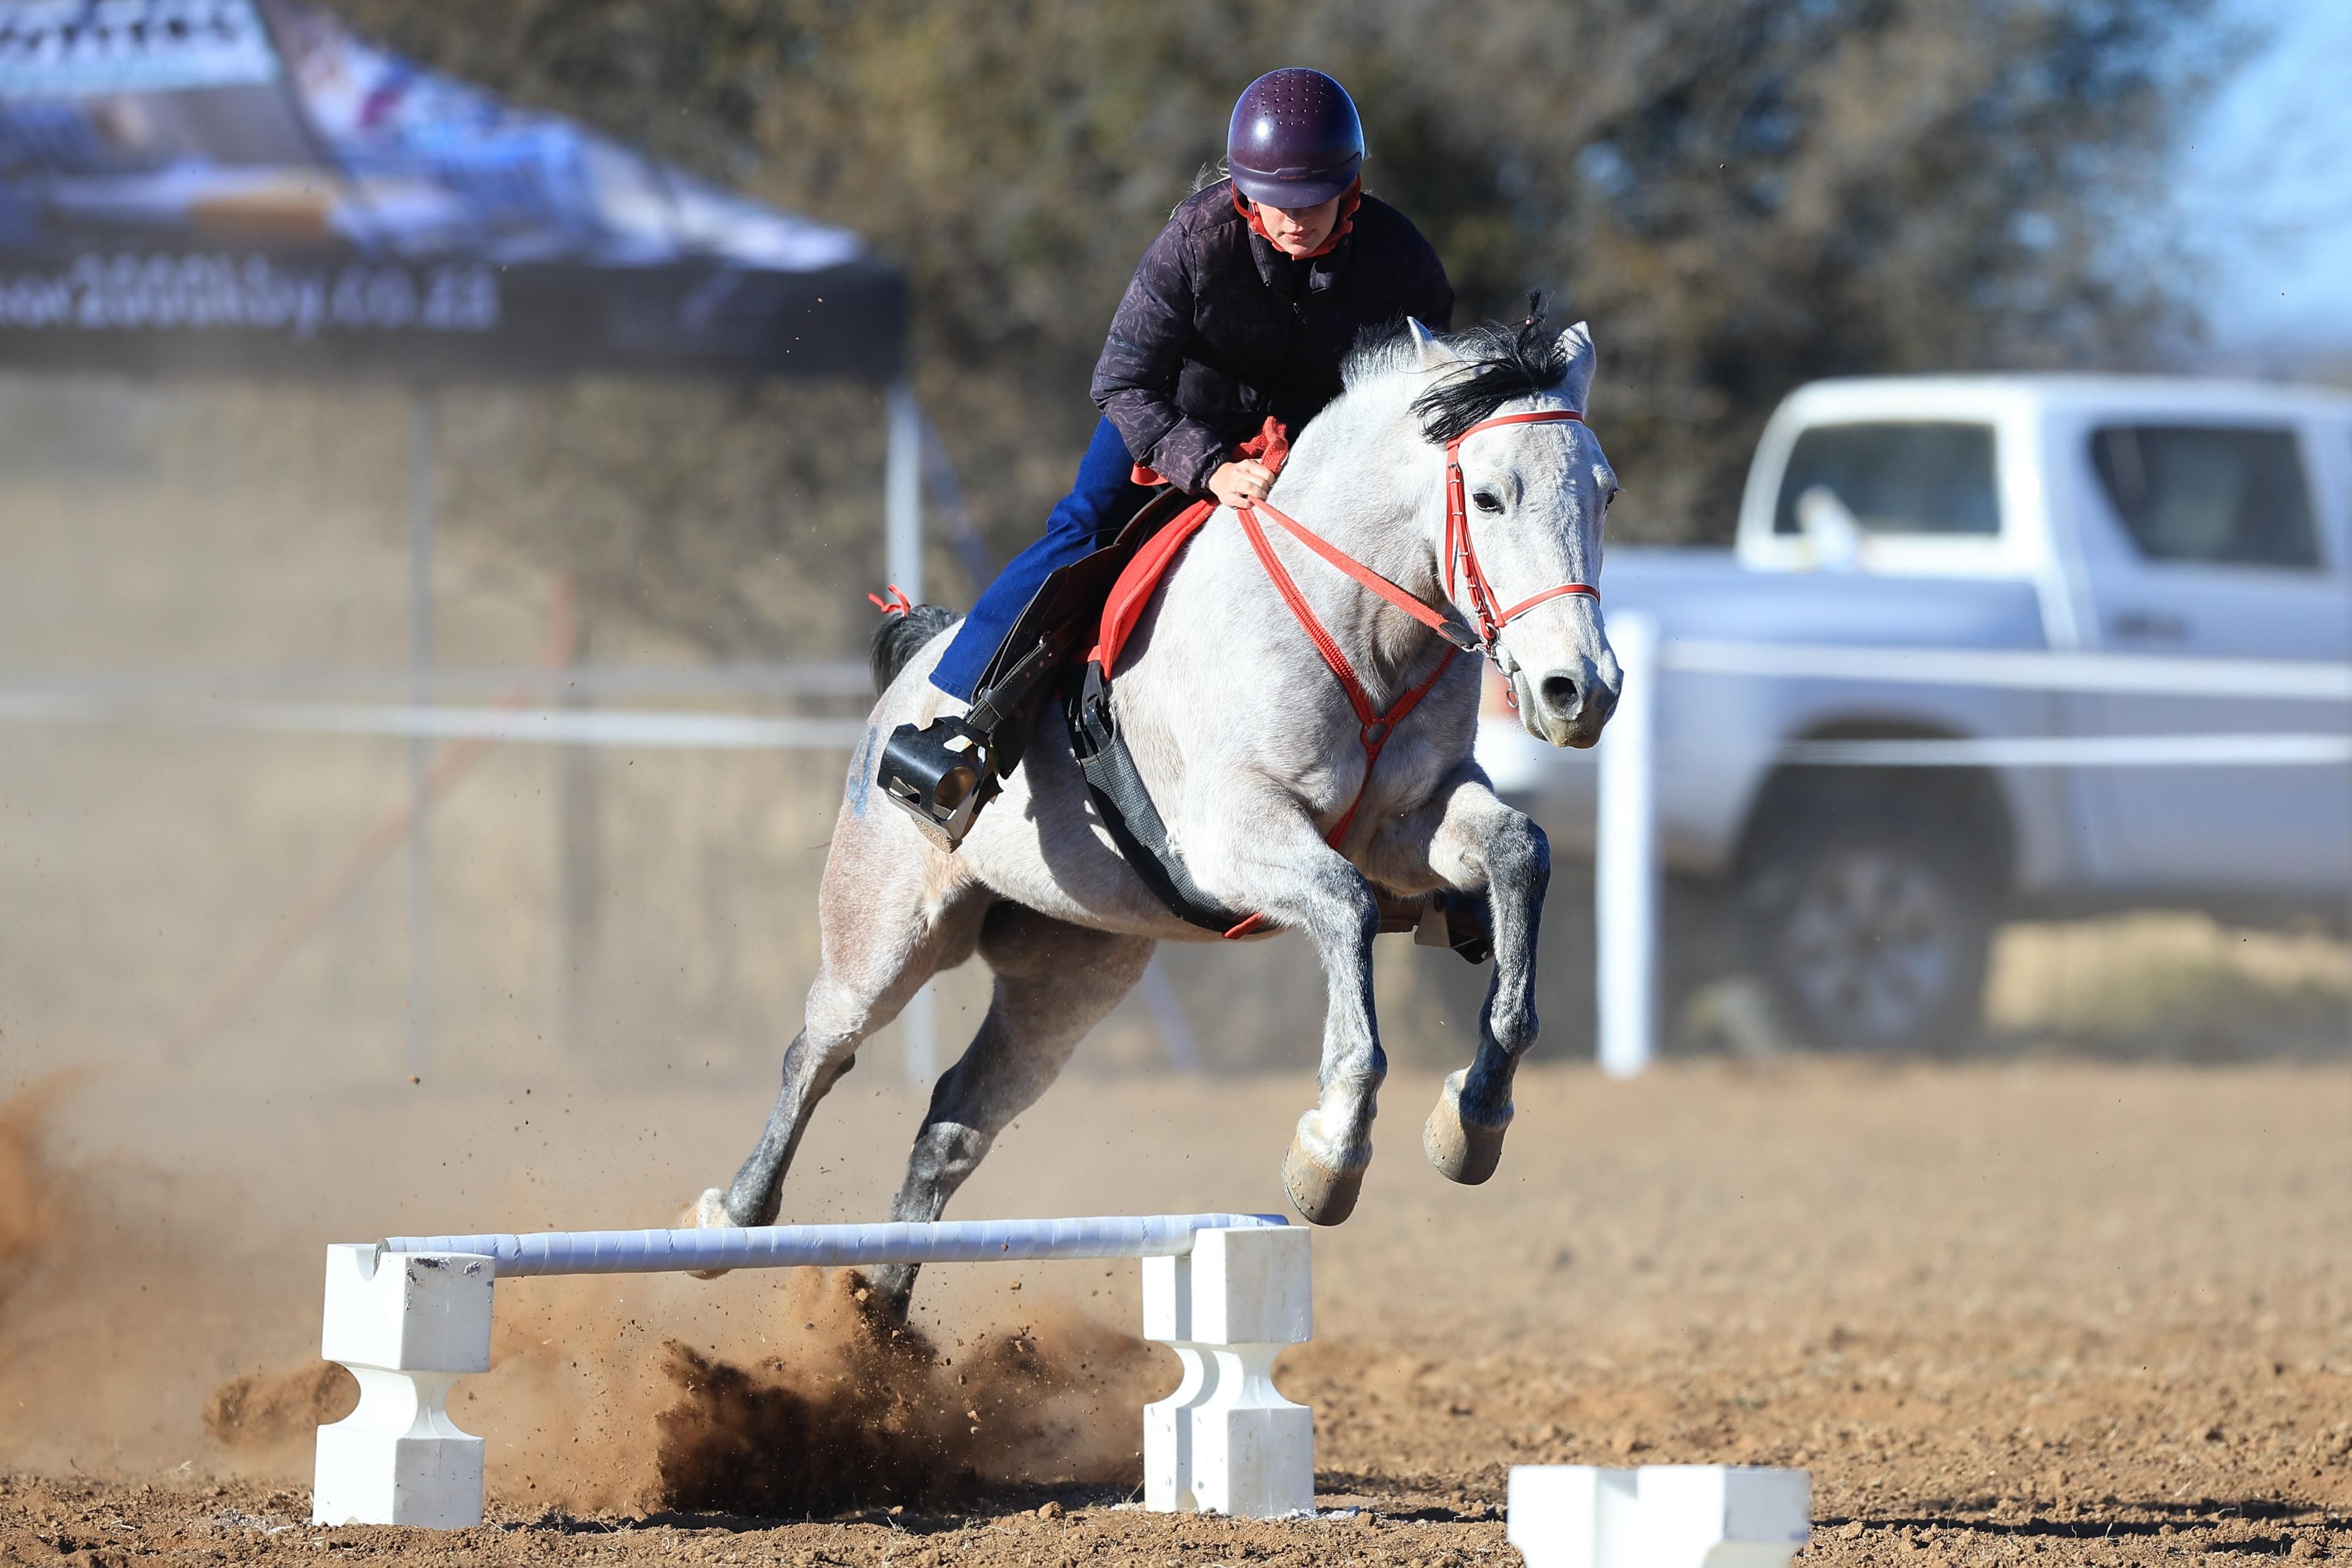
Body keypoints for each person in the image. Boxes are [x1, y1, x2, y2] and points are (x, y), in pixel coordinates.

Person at [879, 66, 1455, 845]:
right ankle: (960, 724)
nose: (1293, 221)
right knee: (1084, 525)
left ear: (1350, 190)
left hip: (1312, 446)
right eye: (1275, 204)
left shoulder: (1402, 260)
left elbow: (1418, 391)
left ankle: (1418, 792)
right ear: (1246, 193)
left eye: (1313, 201)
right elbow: (1120, 378)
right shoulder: (1197, 237)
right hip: (1172, 416)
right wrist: (1209, 464)